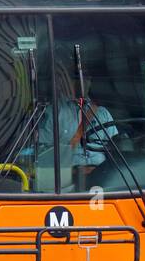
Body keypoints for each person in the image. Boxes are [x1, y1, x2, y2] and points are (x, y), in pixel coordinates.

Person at [32, 61, 119, 191]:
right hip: (65, 183)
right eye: (77, 76)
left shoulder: (103, 114)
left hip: (103, 182)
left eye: (87, 76)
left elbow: (117, 152)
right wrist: (72, 169)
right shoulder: (53, 112)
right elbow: (42, 156)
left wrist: (101, 169)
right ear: (65, 81)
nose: (83, 81)